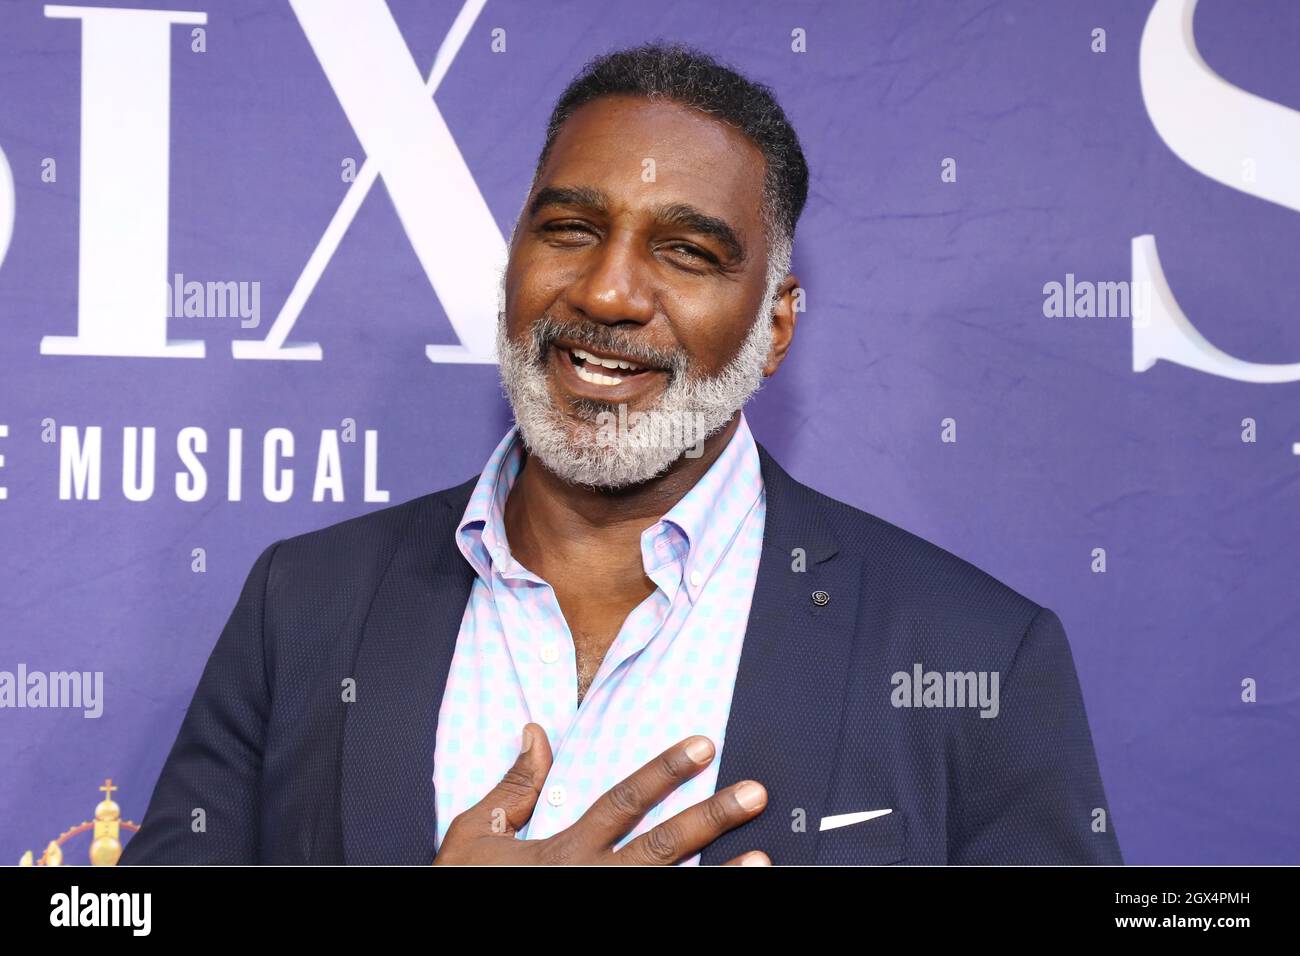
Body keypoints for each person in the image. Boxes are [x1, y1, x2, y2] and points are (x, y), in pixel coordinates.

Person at [121, 42, 1122, 866]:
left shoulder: (973, 653)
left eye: (686, 252)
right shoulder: (302, 603)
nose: (607, 293)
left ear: (774, 327)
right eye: (570, 229)